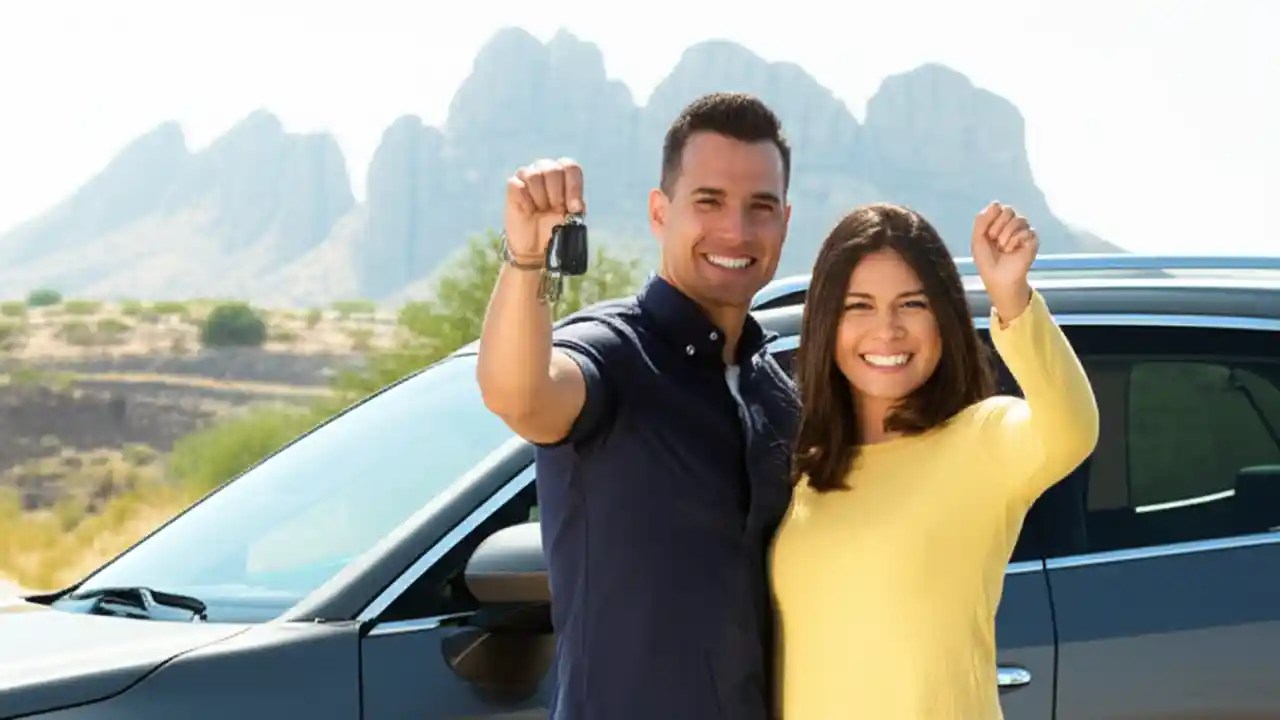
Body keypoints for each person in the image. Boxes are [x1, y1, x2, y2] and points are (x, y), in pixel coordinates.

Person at [476, 92, 801, 720]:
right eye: (709, 201)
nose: (736, 231)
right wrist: (526, 258)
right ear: (660, 212)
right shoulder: (615, 354)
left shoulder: (777, 392)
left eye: (759, 207)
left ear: (784, 222)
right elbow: (520, 394)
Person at [770, 201, 1100, 719]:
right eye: (859, 306)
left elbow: (1072, 429)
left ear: (943, 319)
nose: (887, 330)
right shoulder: (803, 466)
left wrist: (1011, 297)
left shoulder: (980, 441)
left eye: (912, 304)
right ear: (826, 324)